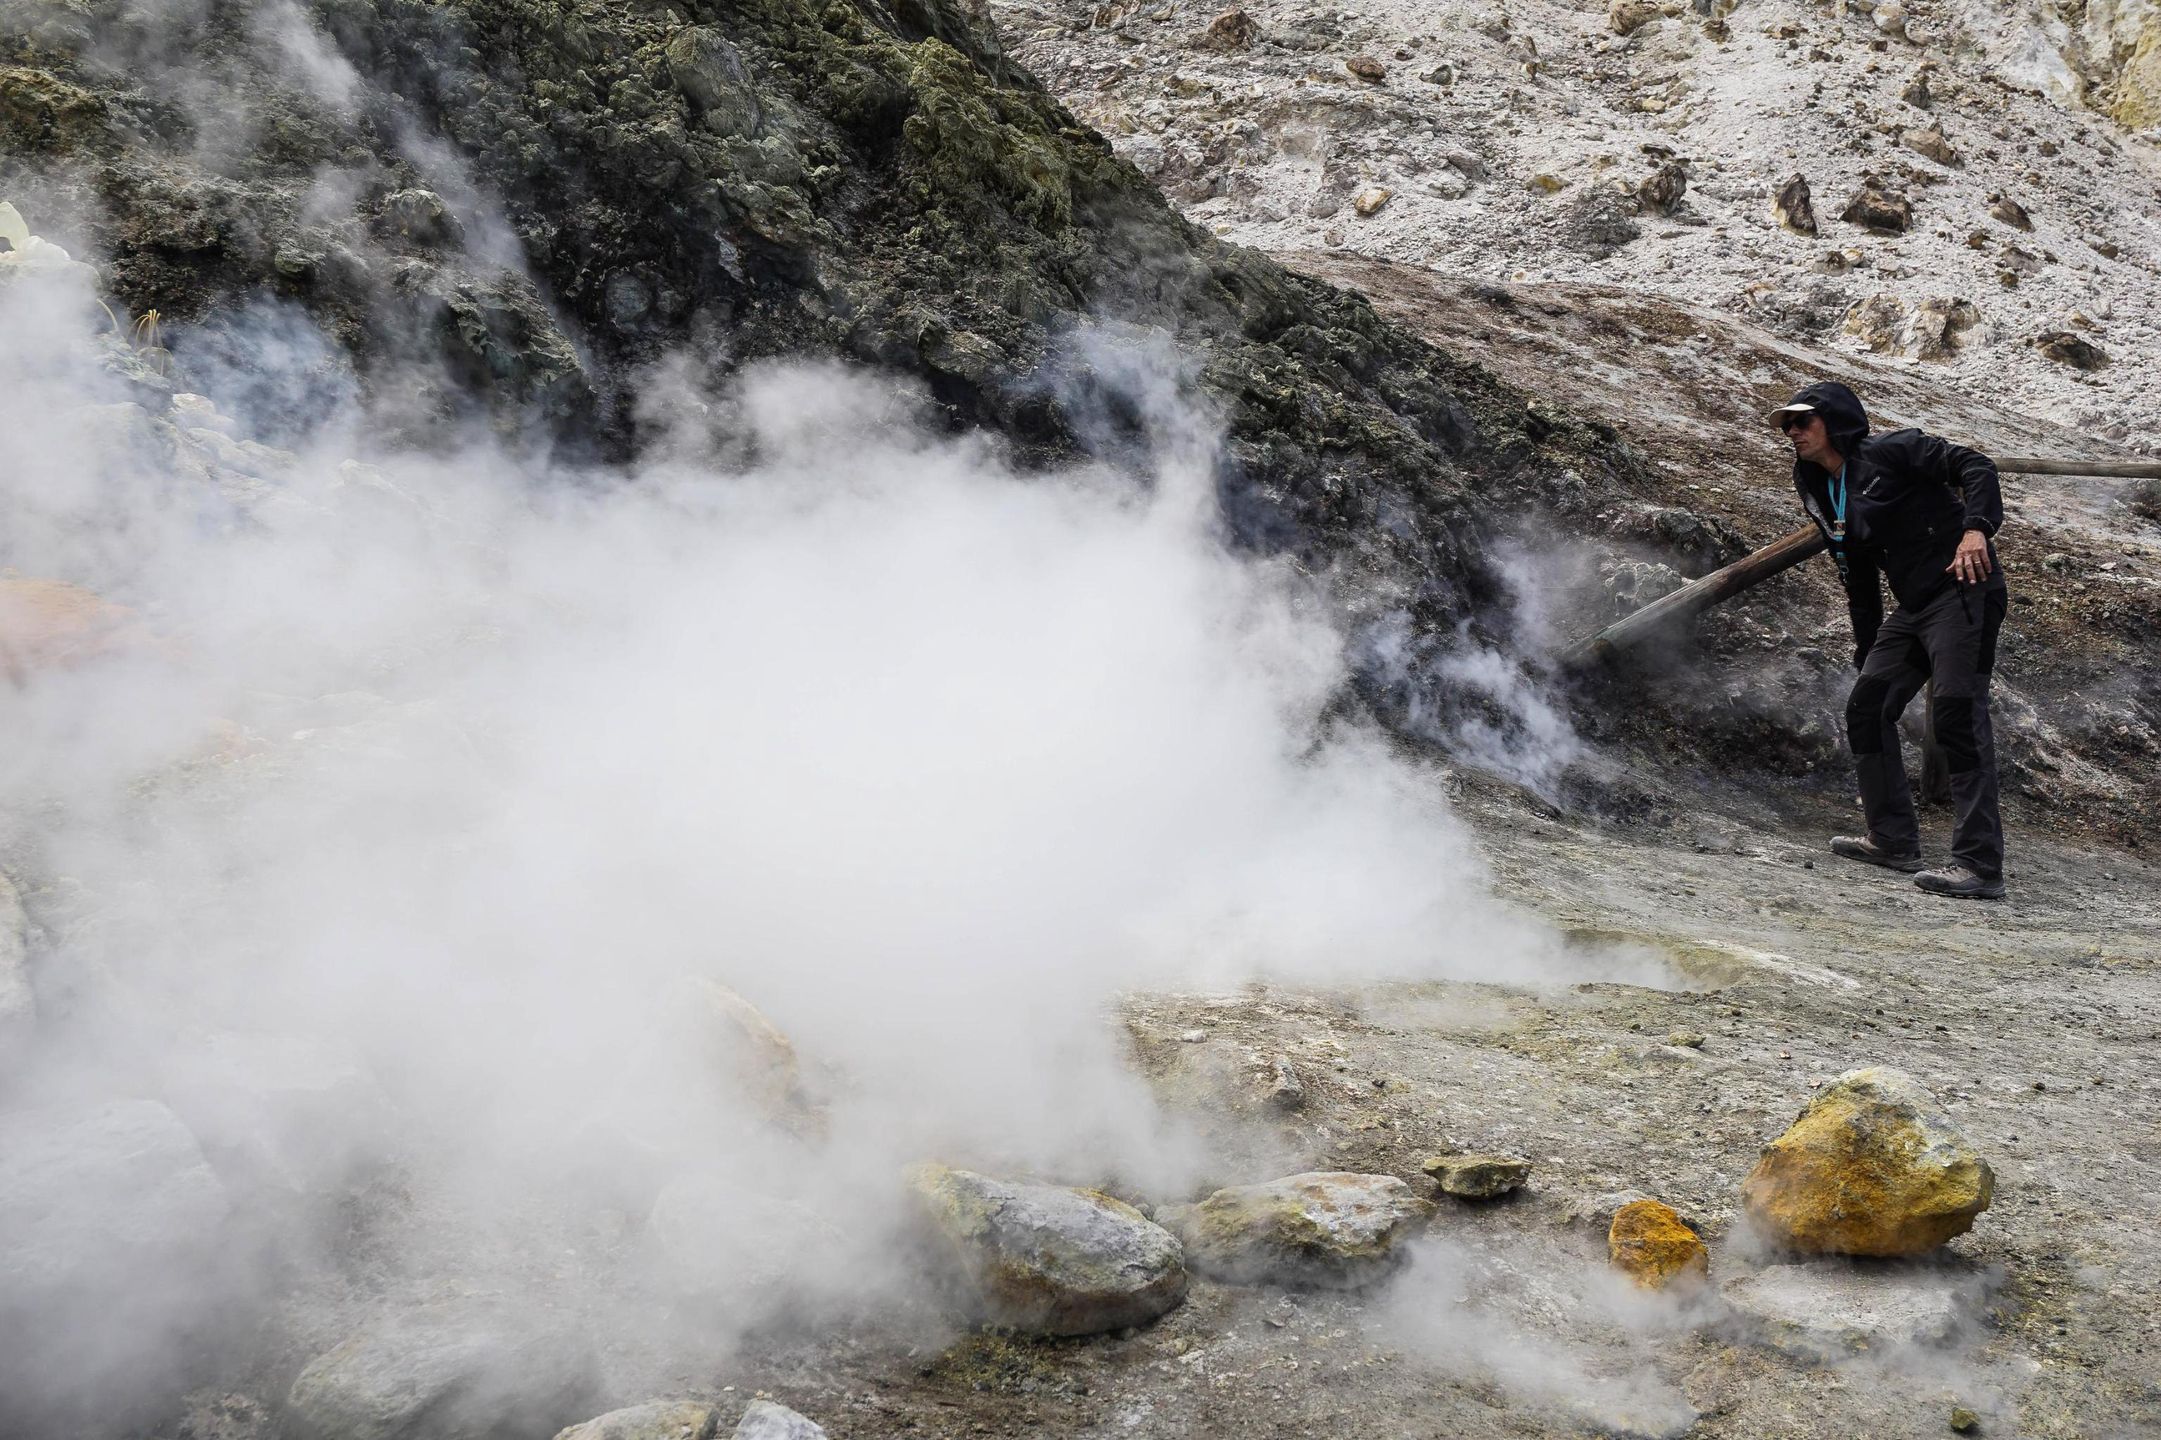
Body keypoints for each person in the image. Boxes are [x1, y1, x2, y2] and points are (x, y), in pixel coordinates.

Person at [1769, 381, 2009, 899]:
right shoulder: (1812, 480)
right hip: (1914, 607)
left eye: (1802, 421)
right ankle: (1893, 840)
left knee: (1956, 716)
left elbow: (1977, 465)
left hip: (1964, 589)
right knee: (1867, 707)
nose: (1791, 431)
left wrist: (1977, 530)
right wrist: (1867, 646)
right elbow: (1853, 565)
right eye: (1786, 424)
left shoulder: (1892, 450)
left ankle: (1979, 865)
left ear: (1833, 421)